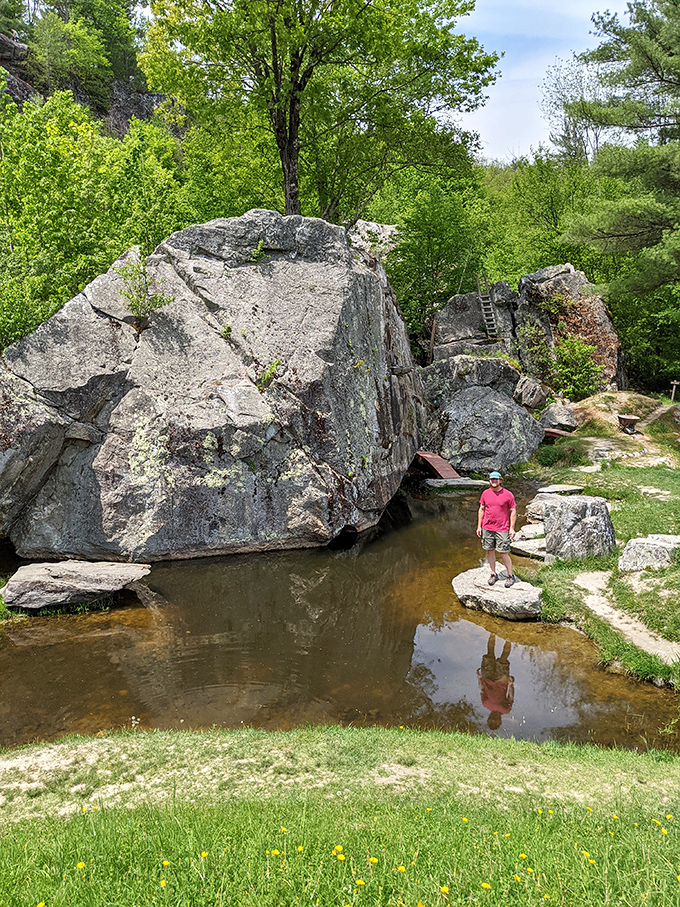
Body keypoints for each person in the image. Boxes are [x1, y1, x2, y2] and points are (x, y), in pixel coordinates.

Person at [476, 470, 517, 588]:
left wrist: (512, 528)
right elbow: (482, 509)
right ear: (489, 481)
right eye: (492, 479)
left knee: (504, 552)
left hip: (502, 528)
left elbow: (513, 510)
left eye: (496, 479)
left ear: (500, 480)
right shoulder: (485, 493)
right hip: (487, 527)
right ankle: (493, 573)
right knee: (490, 550)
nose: (494, 481)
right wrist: (479, 526)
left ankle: (510, 575)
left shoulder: (508, 494)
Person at [477, 633, 514, 730]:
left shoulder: (485, 704)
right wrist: (510, 685)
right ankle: (509, 638)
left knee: (489, 653)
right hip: (501, 681)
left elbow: (482, 689)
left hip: (487, 678)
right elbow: (510, 697)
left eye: (491, 722)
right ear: (500, 721)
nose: (493, 720)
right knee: (503, 658)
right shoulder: (506, 710)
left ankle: (492, 632)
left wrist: (479, 678)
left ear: (488, 719)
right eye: (495, 723)